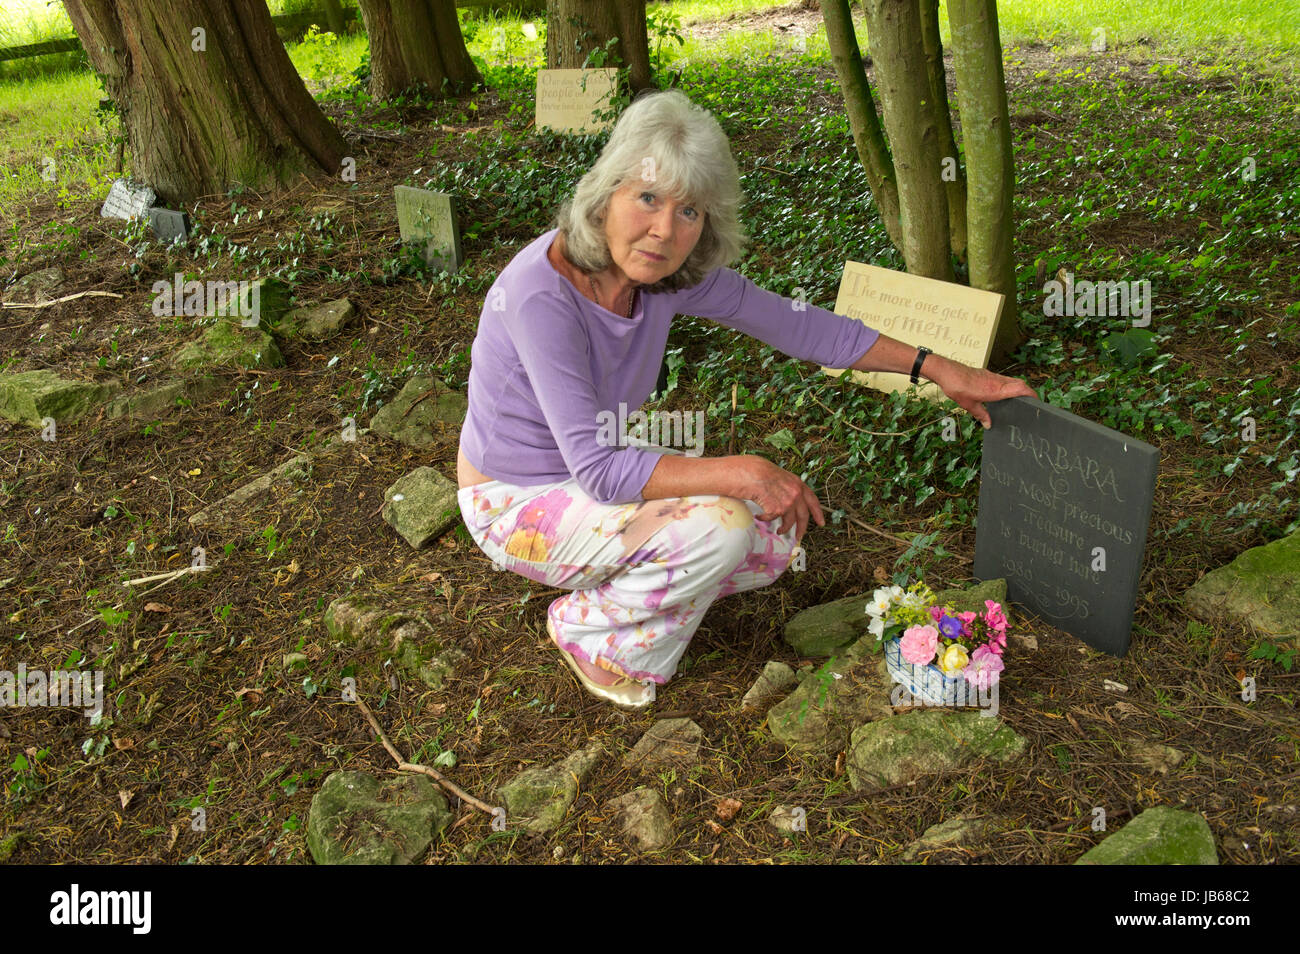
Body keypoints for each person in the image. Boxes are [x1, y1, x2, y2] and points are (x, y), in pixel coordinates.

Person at [456, 88, 1035, 709]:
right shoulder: (541, 294)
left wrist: (940, 368)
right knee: (724, 526)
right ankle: (589, 633)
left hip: (594, 468)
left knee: (773, 541)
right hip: (514, 500)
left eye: (689, 211)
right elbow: (599, 470)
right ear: (605, 196)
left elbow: (805, 328)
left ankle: (634, 572)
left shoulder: (663, 279)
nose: (663, 230)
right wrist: (746, 473)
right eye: (647, 198)